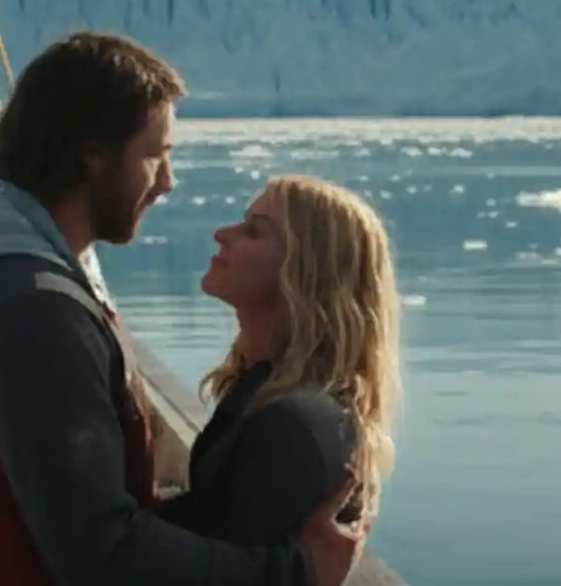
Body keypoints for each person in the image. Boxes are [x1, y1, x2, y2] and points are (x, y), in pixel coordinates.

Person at [0, 32, 365, 586]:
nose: (167, 182)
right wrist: (294, 572)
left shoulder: (7, 280)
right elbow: (101, 556)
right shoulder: (31, 312)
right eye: (156, 155)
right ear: (92, 155)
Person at [155, 175, 402, 546]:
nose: (222, 234)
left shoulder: (293, 424)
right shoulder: (267, 390)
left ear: (306, 272)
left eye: (254, 231)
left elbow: (234, 558)